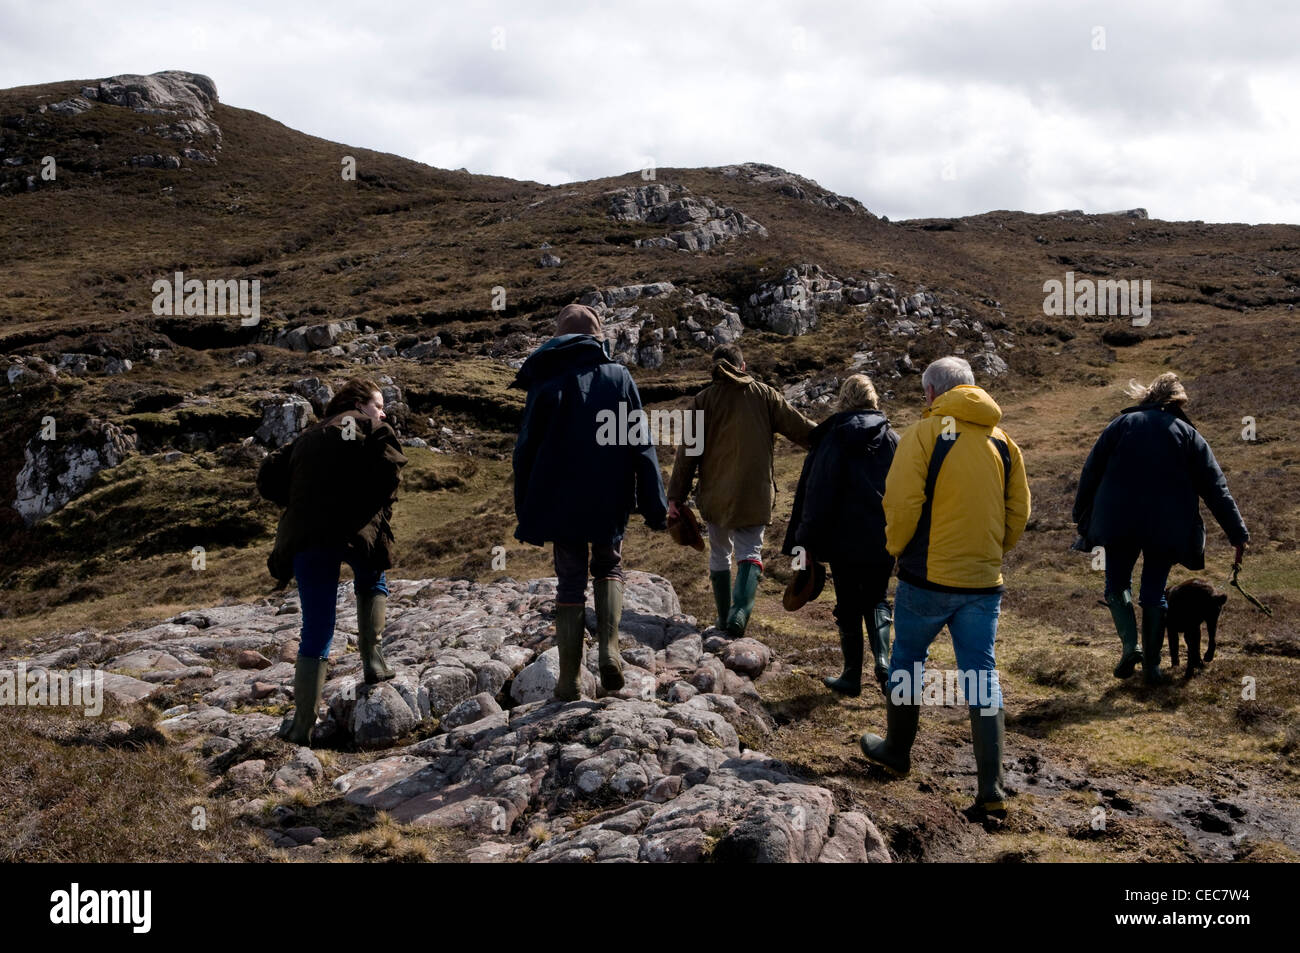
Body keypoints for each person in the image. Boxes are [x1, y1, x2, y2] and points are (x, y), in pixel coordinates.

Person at [860, 356, 1031, 822]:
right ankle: (991, 788)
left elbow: (900, 500)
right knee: (982, 676)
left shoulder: (923, 434)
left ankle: (896, 751)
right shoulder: (1004, 442)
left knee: (907, 661)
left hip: (925, 578)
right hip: (983, 581)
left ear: (932, 393)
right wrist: (993, 551)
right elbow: (1019, 511)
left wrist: (897, 547)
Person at [512, 303, 668, 701]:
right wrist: (654, 505)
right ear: (596, 337)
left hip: (560, 499)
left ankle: (568, 680)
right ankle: (610, 650)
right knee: (609, 565)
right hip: (608, 494)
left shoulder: (544, 381)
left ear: (560, 338)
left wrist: (526, 505)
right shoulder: (618, 377)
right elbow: (640, 444)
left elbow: (525, 449)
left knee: (569, 579)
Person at [257, 378, 408, 746]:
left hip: (308, 535)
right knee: (372, 580)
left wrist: (302, 499)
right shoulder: (369, 426)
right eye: (378, 403)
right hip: (355, 527)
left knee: (317, 625)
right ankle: (374, 663)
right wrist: (370, 502)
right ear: (359, 403)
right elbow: (391, 468)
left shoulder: (306, 438)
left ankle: (302, 725)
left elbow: (268, 476)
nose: (383, 411)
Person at [1072, 372, 1248, 685]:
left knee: (1116, 584)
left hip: (1118, 522)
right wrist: (1238, 535)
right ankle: (1152, 668)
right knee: (1153, 591)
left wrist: (1080, 516)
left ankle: (1131, 646)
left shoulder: (1120, 426)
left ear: (1147, 397)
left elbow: (1091, 471)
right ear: (1177, 401)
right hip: (1167, 528)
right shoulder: (1189, 435)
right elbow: (1216, 489)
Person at [667, 343, 814, 638]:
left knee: (719, 554)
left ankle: (722, 620)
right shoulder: (764, 395)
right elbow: (802, 429)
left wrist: (675, 497)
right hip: (754, 494)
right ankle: (740, 614)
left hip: (715, 496)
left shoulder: (702, 401)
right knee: (750, 552)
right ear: (742, 366)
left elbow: (687, 455)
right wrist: (836, 437)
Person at [783, 374, 899, 696]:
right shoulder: (892, 439)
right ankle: (885, 663)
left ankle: (851, 676)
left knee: (848, 603)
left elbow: (815, 494)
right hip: (883, 537)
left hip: (842, 541)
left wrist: (803, 542)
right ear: (873, 398)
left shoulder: (832, 438)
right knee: (877, 597)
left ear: (844, 399)